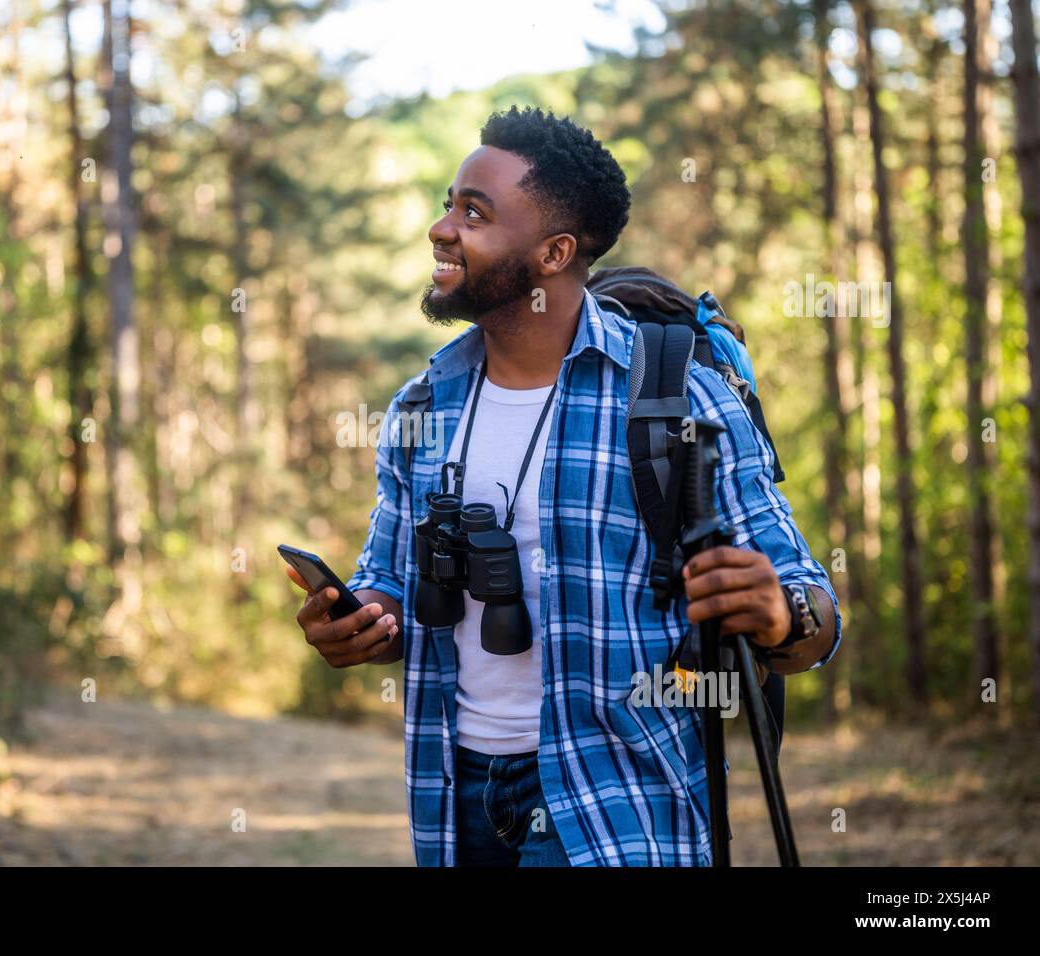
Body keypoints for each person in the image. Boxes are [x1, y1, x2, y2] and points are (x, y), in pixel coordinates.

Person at [286, 106, 840, 867]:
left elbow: (814, 609)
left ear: (554, 253)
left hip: (616, 810)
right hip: (454, 802)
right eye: (449, 203)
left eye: (473, 213)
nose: (442, 228)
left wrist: (780, 614)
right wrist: (362, 618)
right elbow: (387, 578)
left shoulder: (675, 396)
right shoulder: (421, 405)